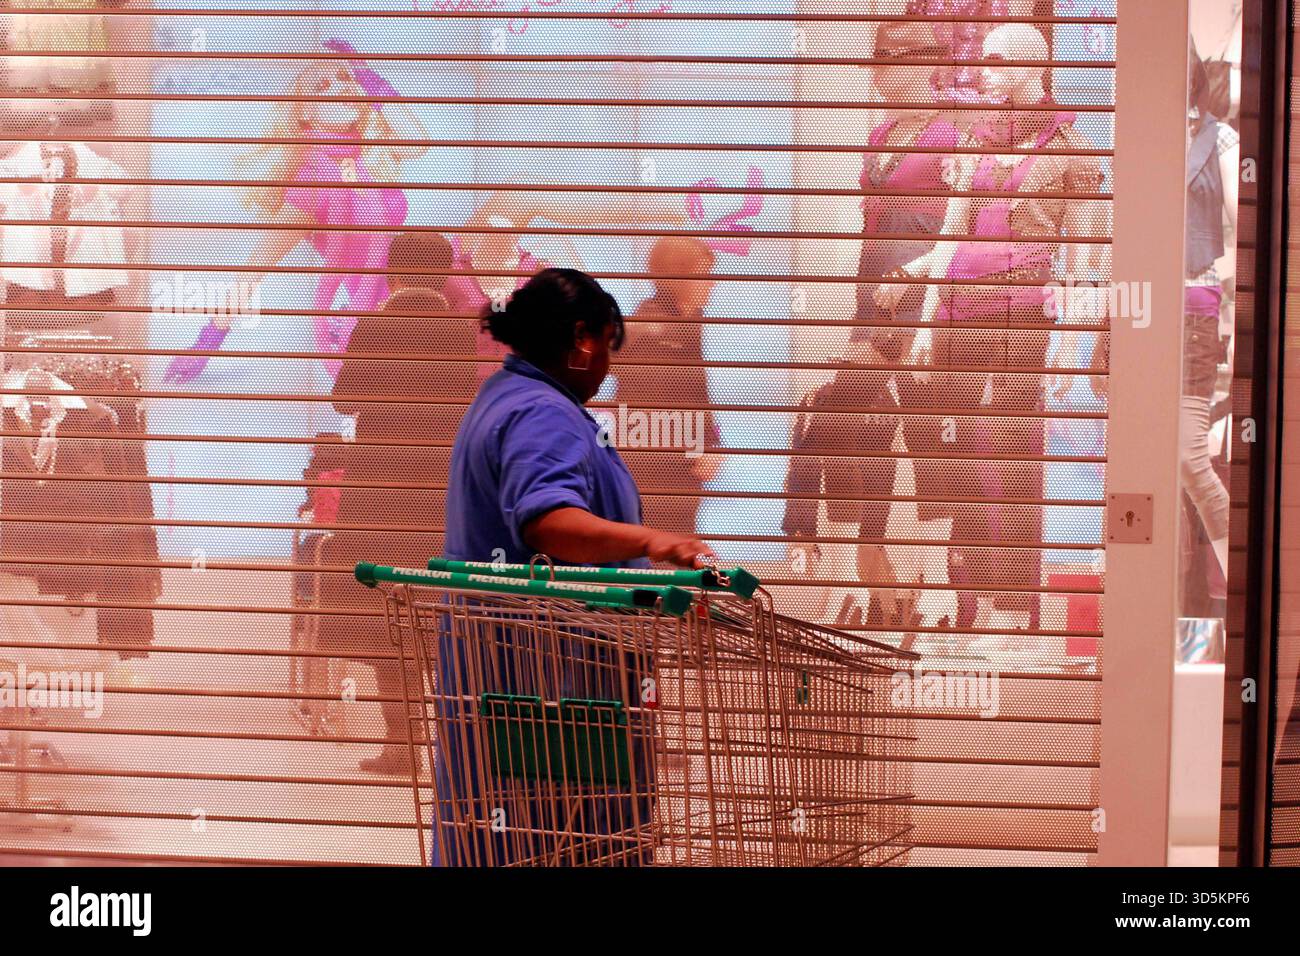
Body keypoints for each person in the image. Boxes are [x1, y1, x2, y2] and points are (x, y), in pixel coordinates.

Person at [435, 268, 713, 865]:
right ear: (583, 337)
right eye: (609, 347)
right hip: (549, 681)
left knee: (505, 837)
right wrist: (656, 542)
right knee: (564, 836)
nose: (609, 368)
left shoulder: (506, 397)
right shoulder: (544, 413)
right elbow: (548, 519)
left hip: (512, 673)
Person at [320, 230, 471, 775]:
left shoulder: (377, 325)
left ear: (391, 273)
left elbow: (345, 398)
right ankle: (450, 742)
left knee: (383, 607)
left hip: (380, 490)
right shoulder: (457, 329)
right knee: (436, 607)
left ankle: (400, 745)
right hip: (437, 491)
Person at [613, 236, 723, 534]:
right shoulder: (651, 330)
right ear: (679, 276)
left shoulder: (689, 321)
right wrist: (699, 449)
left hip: (680, 477)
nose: (712, 284)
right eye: (704, 275)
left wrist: (710, 445)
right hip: (654, 480)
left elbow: (697, 396)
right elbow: (656, 418)